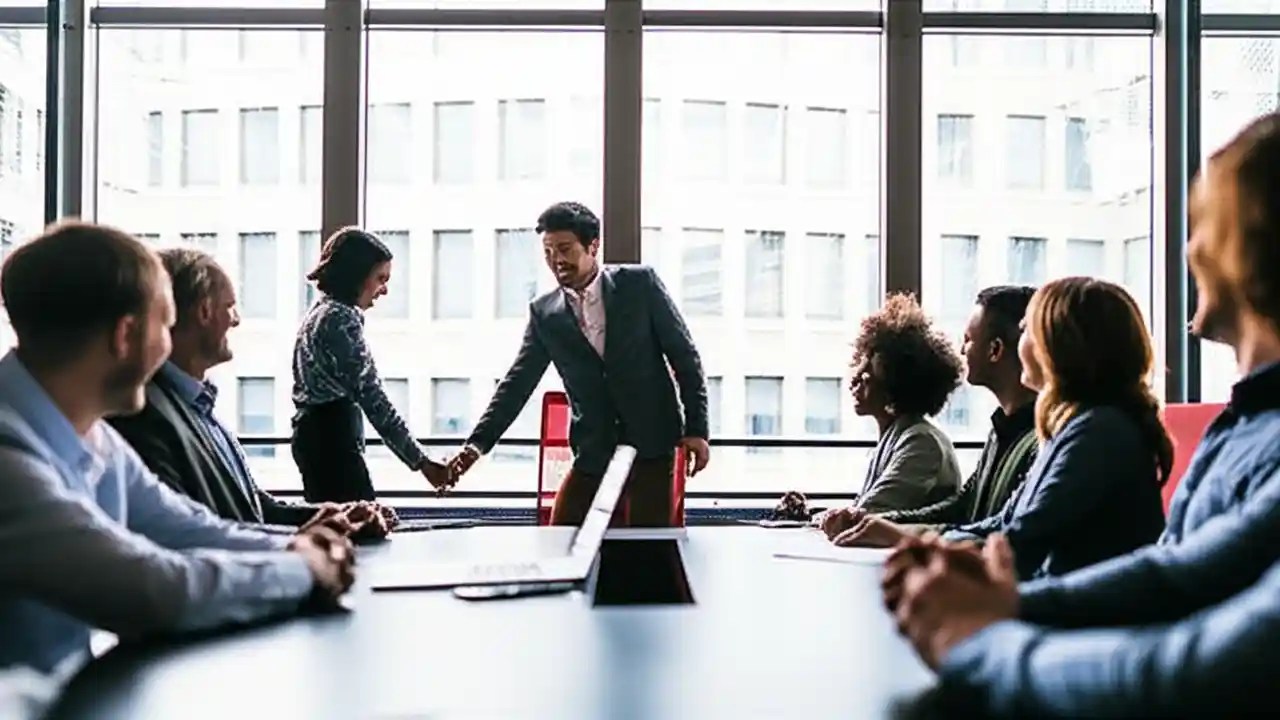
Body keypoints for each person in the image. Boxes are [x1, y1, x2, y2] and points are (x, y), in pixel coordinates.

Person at [883, 115, 1280, 712]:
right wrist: (1007, 608)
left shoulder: (1105, 431)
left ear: (1249, 245)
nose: (1190, 246)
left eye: (1205, 223)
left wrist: (977, 638)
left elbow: (1194, 669)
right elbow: (1175, 573)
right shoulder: (1244, 422)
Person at [0, 222, 354, 675]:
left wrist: (298, 547)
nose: (168, 345)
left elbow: (186, 528)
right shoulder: (7, 462)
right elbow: (150, 591)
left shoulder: (92, 434)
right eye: (166, 325)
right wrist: (304, 569)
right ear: (125, 336)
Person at [448, 201, 709, 527]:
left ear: (593, 246)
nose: (556, 260)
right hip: (593, 450)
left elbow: (685, 356)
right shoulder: (545, 313)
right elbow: (517, 383)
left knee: (648, 551)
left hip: (653, 444)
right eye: (548, 251)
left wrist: (697, 429)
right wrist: (476, 446)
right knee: (562, 537)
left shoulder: (640, 285)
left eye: (565, 248)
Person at [109, 248, 394, 536]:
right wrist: (308, 541)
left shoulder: (197, 407)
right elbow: (191, 536)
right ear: (204, 312)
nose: (236, 320)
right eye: (229, 306)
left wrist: (337, 517)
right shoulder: (144, 414)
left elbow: (256, 508)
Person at [929, 278, 1168, 579]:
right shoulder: (1074, 428)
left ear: (1060, 344)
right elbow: (1004, 523)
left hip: (1080, 619)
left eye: (1027, 329)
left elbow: (1023, 541)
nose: (1020, 343)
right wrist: (928, 543)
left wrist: (928, 549)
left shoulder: (1099, 432)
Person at [822, 286, 1039, 547]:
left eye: (968, 339)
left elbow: (1005, 533)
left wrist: (896, 531)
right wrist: (882, 522)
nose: (961, 350)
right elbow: (963, 506)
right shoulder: (999, 431)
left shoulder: (1038, 441)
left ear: (995, 350)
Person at [291, 227, 452, 503]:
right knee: (361, 532)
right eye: (380, 279)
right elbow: (373, 398)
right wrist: (421, 462)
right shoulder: (339, 320)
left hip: (316, 437)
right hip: (332, 443)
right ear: (356, 275)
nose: (384, 290)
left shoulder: (320, 312)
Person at [815, 293, 963, 517]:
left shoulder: (922, 442)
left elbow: (870, 513)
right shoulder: (898, 435)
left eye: (868, 373)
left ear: (894, 385)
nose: (855, 380)